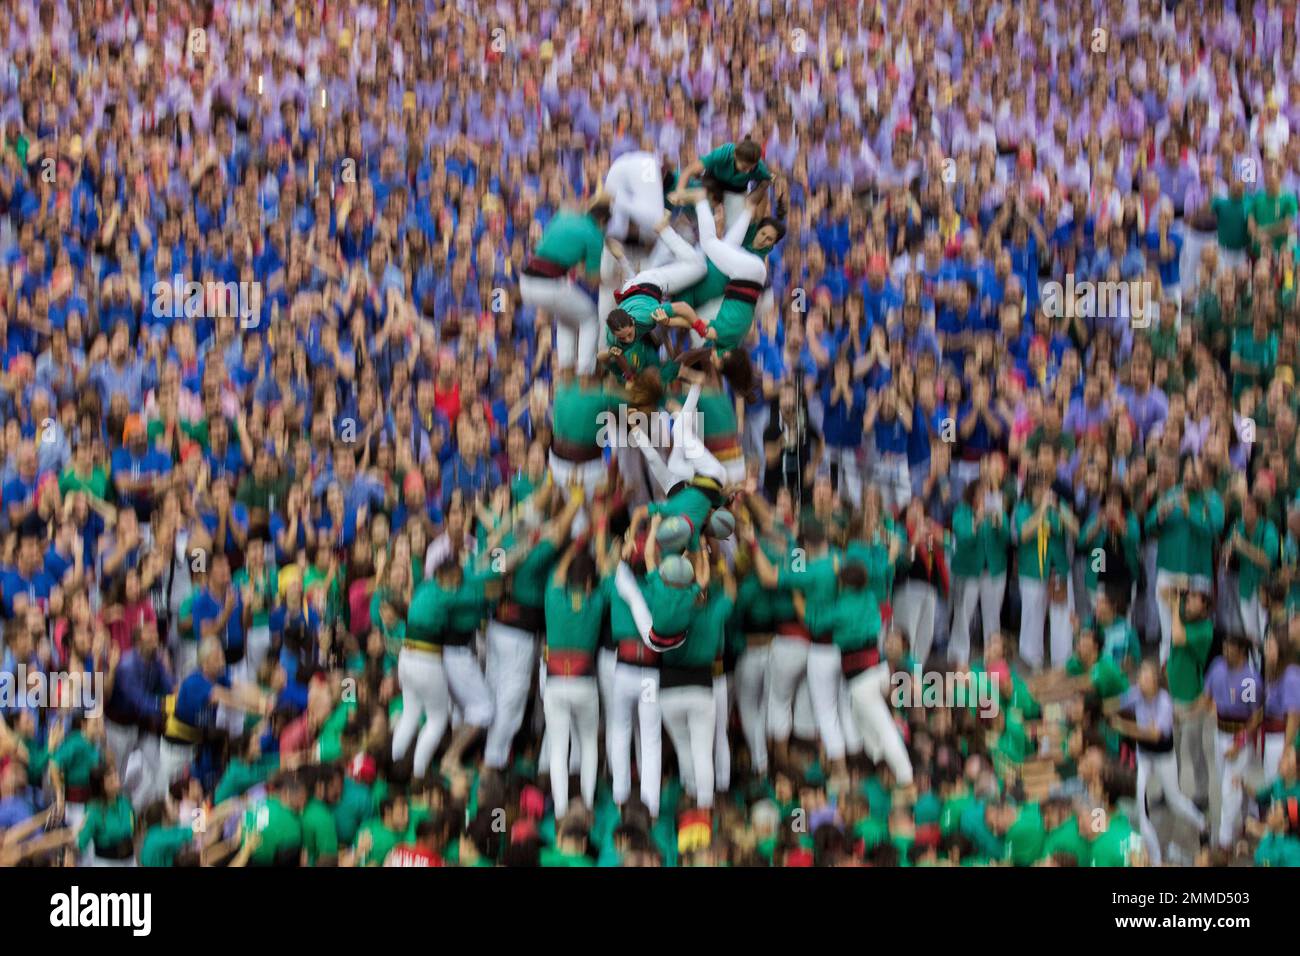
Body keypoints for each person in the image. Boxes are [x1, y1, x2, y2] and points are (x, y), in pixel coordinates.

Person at [1108, 660, 1208, 865]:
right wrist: (1109, 708)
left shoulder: (1164, 702)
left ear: (1156, 681)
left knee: (1174, 799)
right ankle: (1155, 858)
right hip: (1143, 754)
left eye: (1146, 677)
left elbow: (1154, 735)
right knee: (1140, 803)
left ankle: (1202, 824)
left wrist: (1124, 726)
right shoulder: (1136, 693)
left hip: (1162, 755)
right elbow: (1115, 704)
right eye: (1140, 676)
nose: (1140, 681)